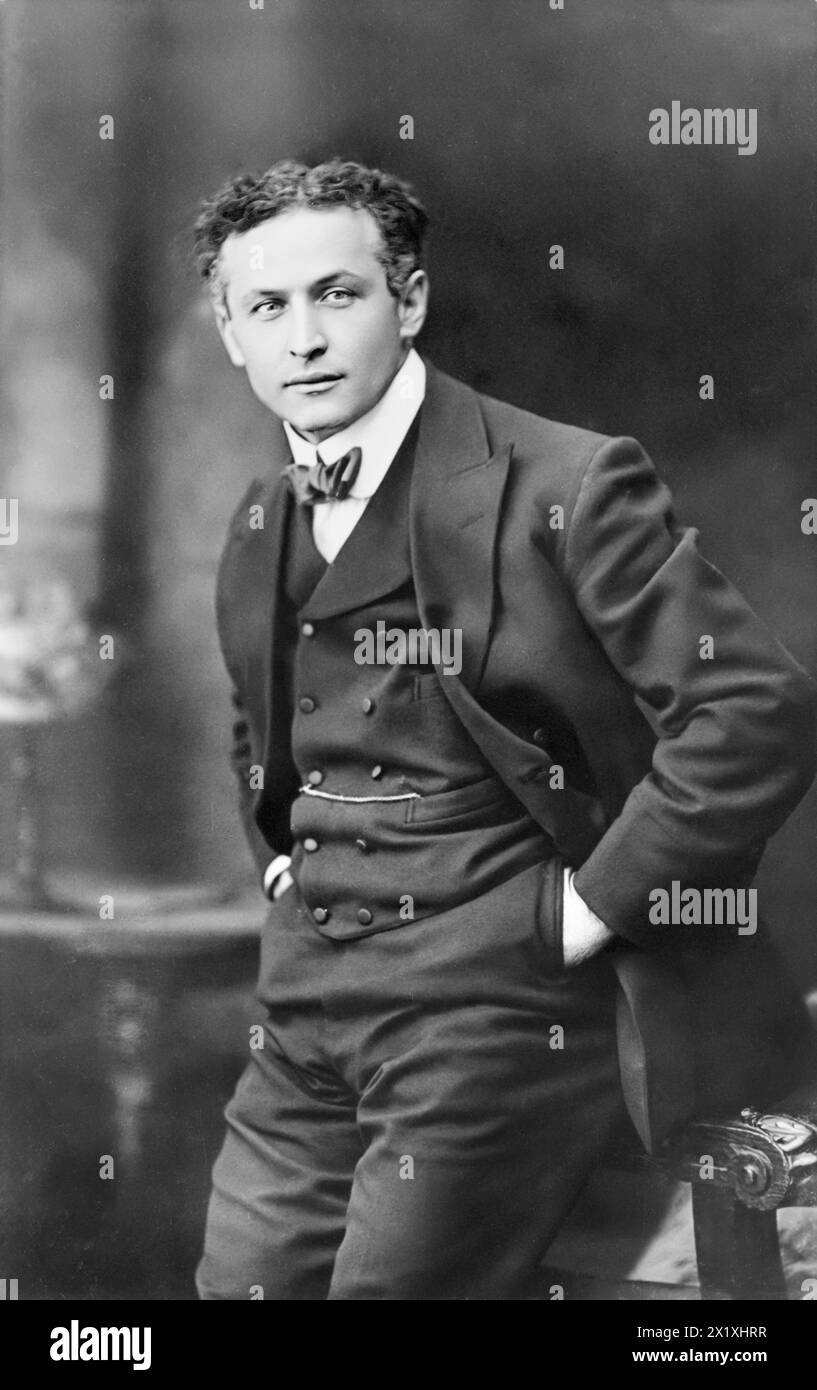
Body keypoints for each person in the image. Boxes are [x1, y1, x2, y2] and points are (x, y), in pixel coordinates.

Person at [193, 158, 817, 1300]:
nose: (305, 339)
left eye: (339, 294)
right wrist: (283, 866)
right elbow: (260, 724)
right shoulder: (257, 519)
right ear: (230, 334)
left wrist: (583, 914)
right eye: (267, 308)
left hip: (498, 1014)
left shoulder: (566, 481)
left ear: (411, 302)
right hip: (299, 1020)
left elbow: (753, 708)